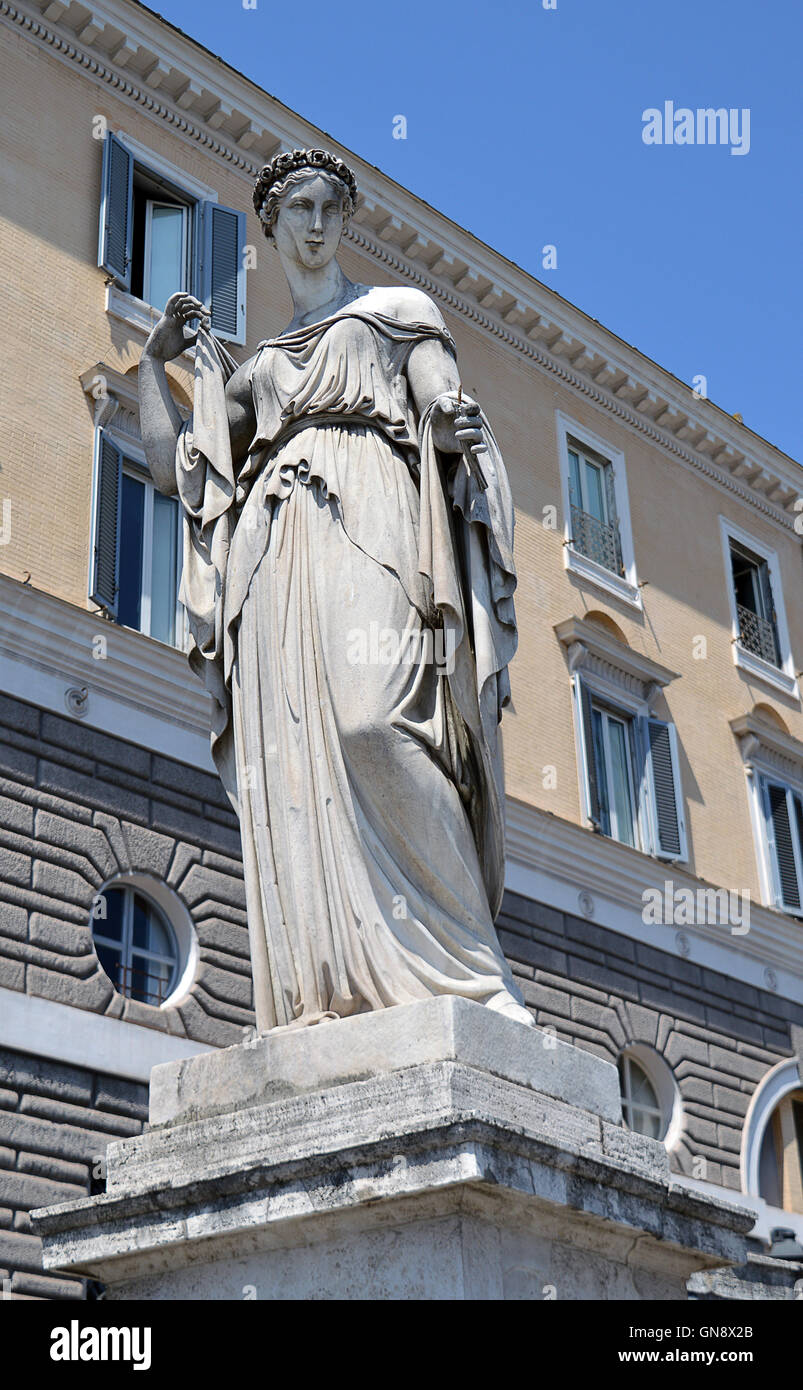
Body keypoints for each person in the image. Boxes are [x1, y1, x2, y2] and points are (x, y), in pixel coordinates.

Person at [139, 147, 533, 1032]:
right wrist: (150, 364)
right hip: (277, 554)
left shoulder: (396, 311)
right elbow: (173, 470)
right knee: (294, 758)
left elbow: (437, 402)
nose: (317, 224)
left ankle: (469, 968)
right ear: (271, 225)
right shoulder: (254, 370)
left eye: (330, 207)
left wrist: (450, 425)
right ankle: (334, 981)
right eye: (299, 209)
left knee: (371, 721)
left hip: (376, 510)